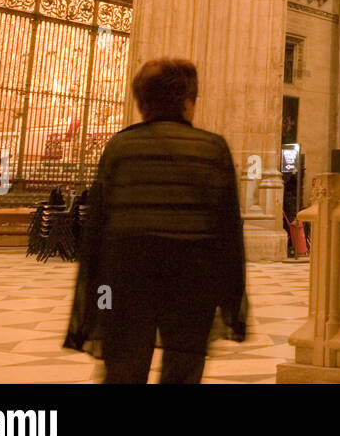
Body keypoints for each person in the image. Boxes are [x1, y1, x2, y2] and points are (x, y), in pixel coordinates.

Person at [64, 58, 247, 383]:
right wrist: (232, 303)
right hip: (193, 279)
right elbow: (229, 232)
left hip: (122, 278)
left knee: (122, 367)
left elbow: (96, 232)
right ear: (187, 102)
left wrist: (96, 302)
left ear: (142, 103)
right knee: (184, 369)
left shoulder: (120, 147)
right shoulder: (212, 148)